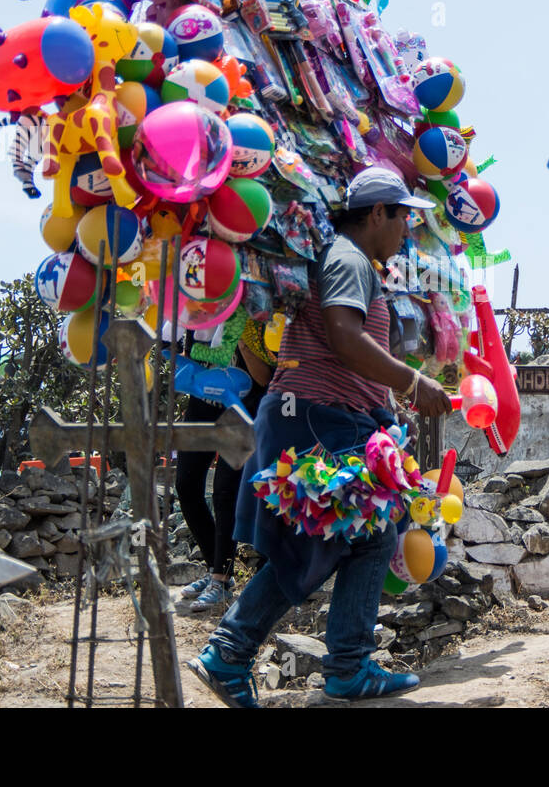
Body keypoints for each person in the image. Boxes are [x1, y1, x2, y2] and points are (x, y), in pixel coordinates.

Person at [188, 168, 451, 708]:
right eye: (403, 214)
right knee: (324, 538)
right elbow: (344, 337)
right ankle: (237, 653)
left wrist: (385, 400)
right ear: (376, 212)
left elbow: (344, 356)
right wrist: (413, 380)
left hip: (323, 416)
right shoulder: (350, 260)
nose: (408, 226)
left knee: (364, 533)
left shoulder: (351, 261)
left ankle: (339, 665)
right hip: (316, 420)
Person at [177, 333, 271, 612]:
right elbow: (189, 357)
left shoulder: (253, 316)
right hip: (201, 406)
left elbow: (265, 378)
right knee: (185, 485)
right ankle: (213, 567)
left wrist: (242, 339)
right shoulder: (198, 314)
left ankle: (221, 578)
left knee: (225, 492)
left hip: (242, 409)